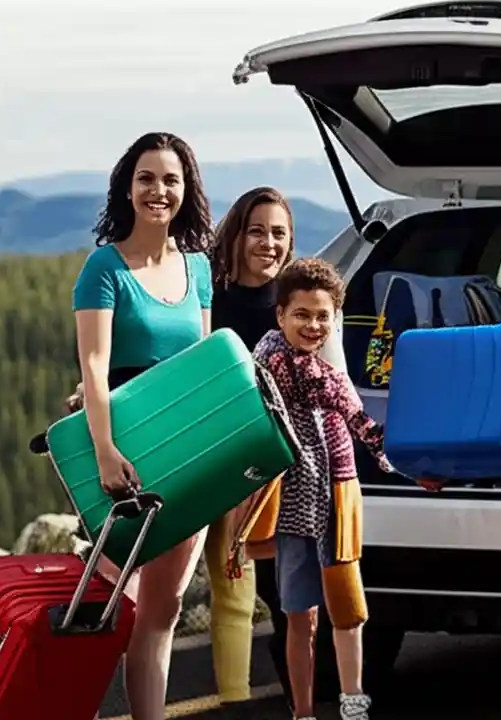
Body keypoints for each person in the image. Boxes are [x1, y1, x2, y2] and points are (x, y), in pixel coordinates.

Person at [70, 131, 216, 720]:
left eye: (171, 179)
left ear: (187, 190)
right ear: (128, 189)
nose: (159, 190)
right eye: (147, 178)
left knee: (165, 606)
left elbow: (207, 367)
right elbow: (95, 366)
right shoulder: (103, 267)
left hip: (192, 451)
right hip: (129, 453)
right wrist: (105, 451)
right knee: (118, 601)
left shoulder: (199, 269)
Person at [248, 258, 404, 720]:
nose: (312, 325)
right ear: (281, 315)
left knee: (348, 611)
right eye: (302, 314)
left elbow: (365, 427)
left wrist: (403, 461)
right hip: (295, 502)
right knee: (300, 615)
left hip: (338, 496)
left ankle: (353, 706)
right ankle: (303, 711)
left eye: (323, 316)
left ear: (334, 319)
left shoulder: (327, 372)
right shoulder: (272, 361)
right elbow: (301, 384)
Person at [199, 186, 296, 716]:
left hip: (284, 469)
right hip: (221, 463)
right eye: (256, 231)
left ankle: (299, 705)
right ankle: (234, 705)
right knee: (233, 591)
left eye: (279, 233)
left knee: (289, 597)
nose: (268, 243)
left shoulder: (294, 301)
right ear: (234, 235)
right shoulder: (207, 298)